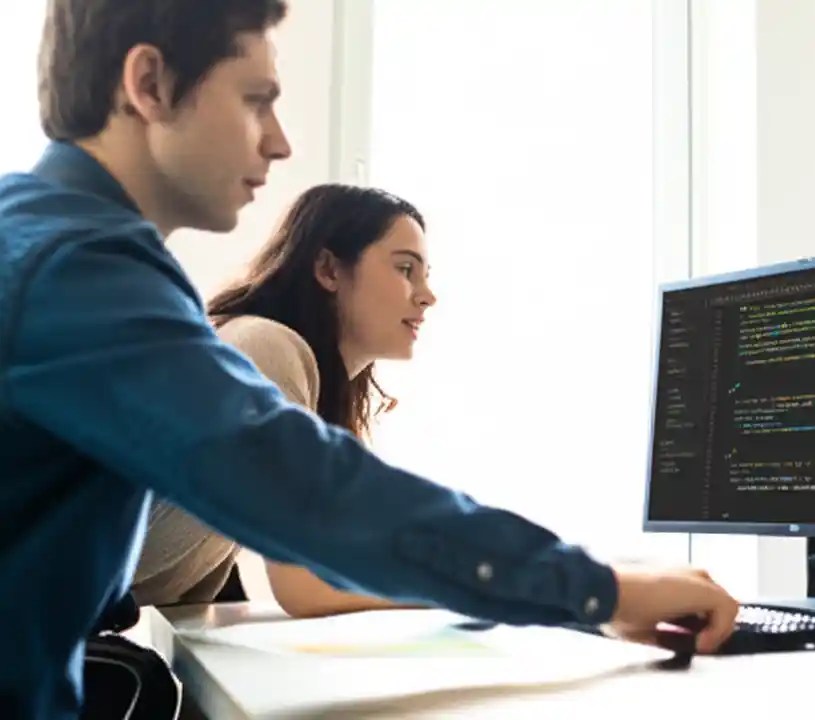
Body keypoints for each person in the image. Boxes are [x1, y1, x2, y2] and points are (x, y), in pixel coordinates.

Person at [0, 2, 737, 717]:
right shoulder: (79, 270)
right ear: (150, 84)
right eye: (257, 100)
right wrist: (604, 588)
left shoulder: (43, 243)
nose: (281, 142)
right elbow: (316, 496)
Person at [131, 183, 442, 617]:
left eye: (426, 275)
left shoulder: (287, 371)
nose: (427, 295)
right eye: (406, 269)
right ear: (329, 269)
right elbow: (308, 585)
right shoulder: (263, 347)